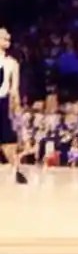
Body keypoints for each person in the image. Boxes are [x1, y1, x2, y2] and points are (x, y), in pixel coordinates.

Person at [0, 28, 27, 185]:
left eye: (8, 39)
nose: (7, 41)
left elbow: (14, 87)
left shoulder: (12, 63)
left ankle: (16, 170)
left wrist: (16, 105)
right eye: (4, 38)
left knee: (7, 140)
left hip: (2, 102)